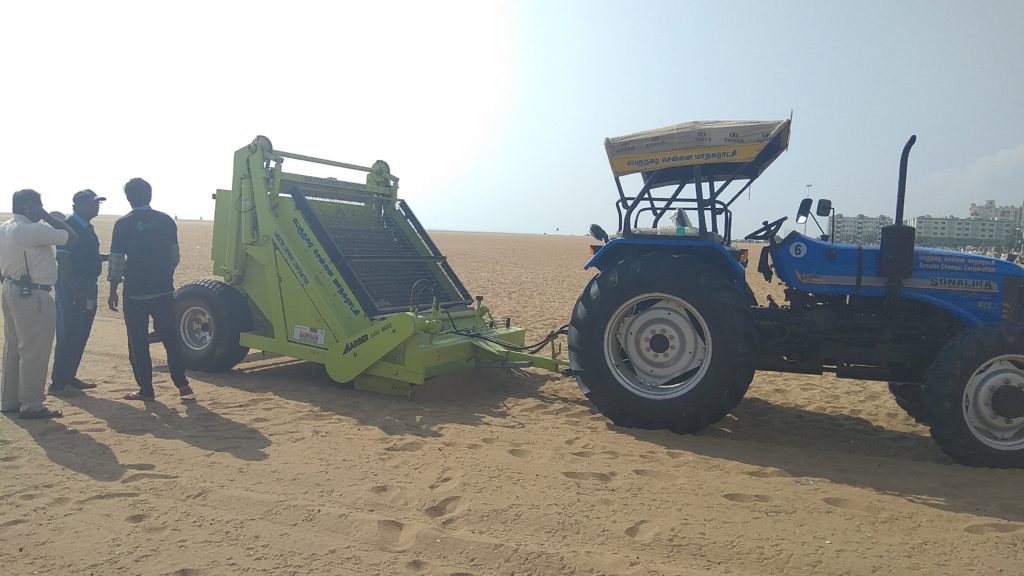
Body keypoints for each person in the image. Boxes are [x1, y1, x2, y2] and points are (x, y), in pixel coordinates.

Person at [108, 178, 195, 401]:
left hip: (135, 291)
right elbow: (174, 256)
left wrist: (113, 288)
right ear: (150, 195)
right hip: (163, 289)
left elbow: (116, 261)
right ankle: (182, 383)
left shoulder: (123, 224)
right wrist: (164, 274)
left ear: (129, 199)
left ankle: (146, 388)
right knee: (170, 337)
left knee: (137, 340)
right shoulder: (166, 221)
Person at [0, 189, 79, 418]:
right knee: (34, 349)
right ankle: (32, 404)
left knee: (13, 346)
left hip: (11, 287)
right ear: (29, 207)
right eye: (39, 204)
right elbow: (71, 237)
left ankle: (10, 400)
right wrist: (45, 215)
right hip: (33, 293)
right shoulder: (33, 230)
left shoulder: (5, 228)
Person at [49, 190, 107, 395]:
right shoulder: (69, 226)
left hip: (88, 284)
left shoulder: (87, 228)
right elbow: (63, 260)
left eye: (97, 203)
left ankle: (69, 377)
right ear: (77, 206)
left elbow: (85, 255)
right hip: (73, 285)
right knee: (69, 332)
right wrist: (76, 291)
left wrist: (109, 257)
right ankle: (58, 383)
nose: (96, 207)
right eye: (91, 203)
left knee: (81, 332)